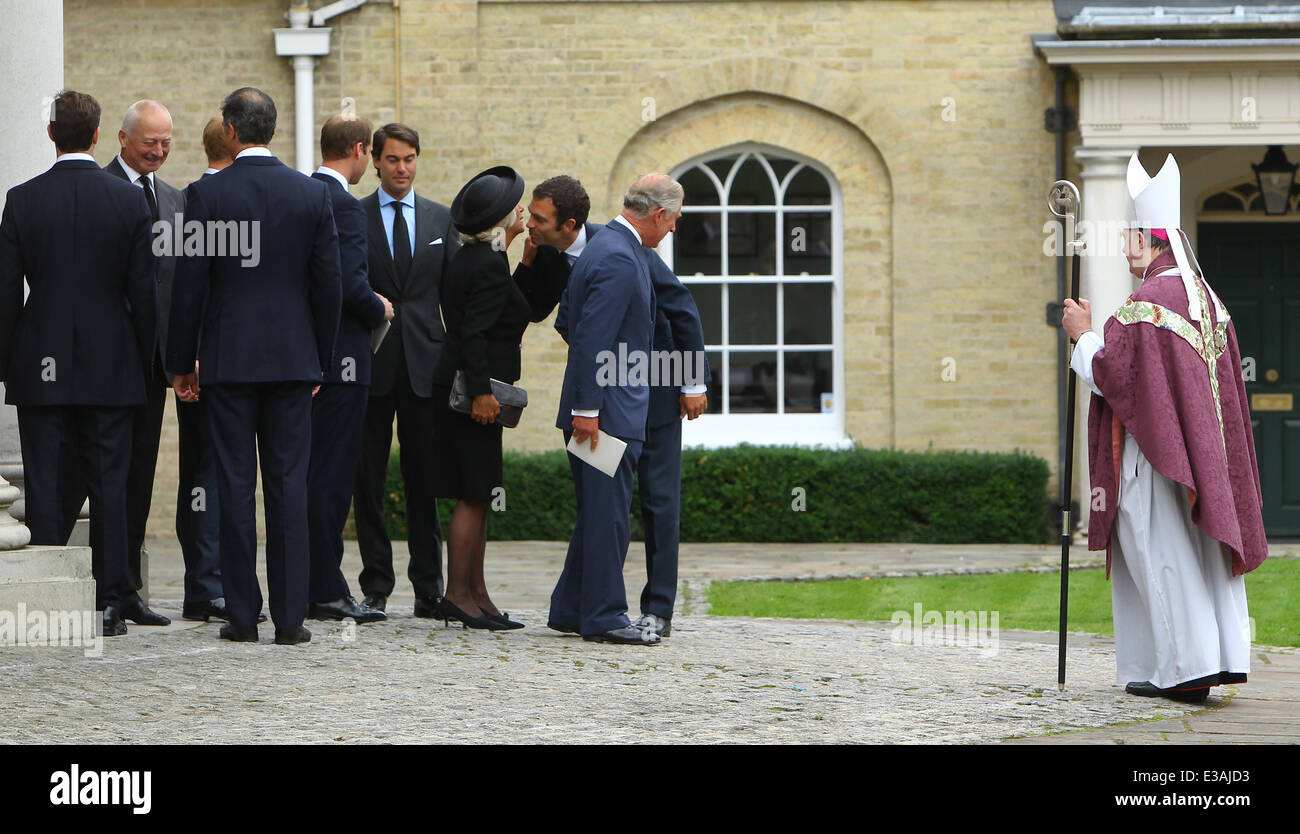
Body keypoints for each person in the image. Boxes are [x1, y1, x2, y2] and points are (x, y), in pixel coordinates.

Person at [1062, 152, 1268, 703]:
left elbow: (1115, 377)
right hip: (1202, 456)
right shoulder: (1208, 301)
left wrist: (1081, 335)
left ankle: (1181, 670)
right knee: (1198, 554)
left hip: (1152, 458)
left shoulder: (1147, 304)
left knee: (1162, 555)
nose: (1123, 245)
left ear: (1145, 237)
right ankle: (1217, 657)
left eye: (1128, 234)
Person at [166, 87, 342, 645]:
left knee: (235, 485)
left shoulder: (207, 196)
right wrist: (321, 360)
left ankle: (242, 614)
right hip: (293, 361)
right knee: (290, 485)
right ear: (273, 128)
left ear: (233, 133)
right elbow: (329, 286)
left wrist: (180, 361)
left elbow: (188, 287)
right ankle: (290, 619)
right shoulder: (311, 195)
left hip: (229, 360)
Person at [523, 175, 709, 638]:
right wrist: (590, 405)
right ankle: (604, 616)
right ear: (659, 215)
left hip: (610, 403)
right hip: (607, 412)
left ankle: (569, 609)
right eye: (673, 221)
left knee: (599, 511)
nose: (672, 231)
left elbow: (572, 322)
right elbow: (588, 334)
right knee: (608, 514)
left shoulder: (604, 248)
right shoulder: (623, 257)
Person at [0, 90, 155, 636]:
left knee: (43, 478)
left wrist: (7, 363)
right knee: (110, 480)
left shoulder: (21, 200)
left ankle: (50, 591)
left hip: (39, 359)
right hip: (111, 363)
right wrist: (146, 360)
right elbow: (144, 293)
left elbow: (5, 295)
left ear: (51, 135)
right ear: (96, 136)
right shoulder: (129, 200)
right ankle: (111, 597)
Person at [432, 166, 556, 630]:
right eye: (516, 207)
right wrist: (483, 393)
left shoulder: (480, 259)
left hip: (472, 389)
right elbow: (475, 336)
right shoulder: (484, 264)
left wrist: (525, 264)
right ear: (500, 220)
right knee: (471, 493)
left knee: (480, 492)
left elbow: (509, 314)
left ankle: (476, 594)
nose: (522, 211)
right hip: (472, 396)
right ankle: (458, 596)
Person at [354, 123, 457, 616]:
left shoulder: (442, 219)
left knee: (424, 480)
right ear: (375, 160)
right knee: (367, 479)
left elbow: (455, 298)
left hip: (425, 365)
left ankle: (428, 588)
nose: (401, 168)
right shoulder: (356, 215)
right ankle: (376, 585)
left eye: (409, 158)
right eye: (392, 159)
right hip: (371, 364)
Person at [99, 100, 183, 628]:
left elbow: (178, 284)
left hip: (155, 365)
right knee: (102, 477)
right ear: (123, 139)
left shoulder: (174, 200)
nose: (159, 151)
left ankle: (128, 587)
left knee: (140, 478)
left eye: (167, 142)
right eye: (150, 142)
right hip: (106, 362)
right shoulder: (101, 190)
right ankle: (102, 587)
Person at [307, 113, 393, 625]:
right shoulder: (342, 204)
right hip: (341, 362)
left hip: (306, 361)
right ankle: (327, 589)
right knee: (333, 480)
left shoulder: (301, 194)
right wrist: (380, 307)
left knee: (308, 476)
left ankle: (311, 583)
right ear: (360, 149)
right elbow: (343, 284)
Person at [177, 117, 235, 622]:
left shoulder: (201, 196)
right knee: (208, 474)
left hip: (216, 361)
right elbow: (190, 286)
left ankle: (209, 581)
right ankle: (207, 582)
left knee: (207, 473)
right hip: (212, 362)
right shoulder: (201, 198)